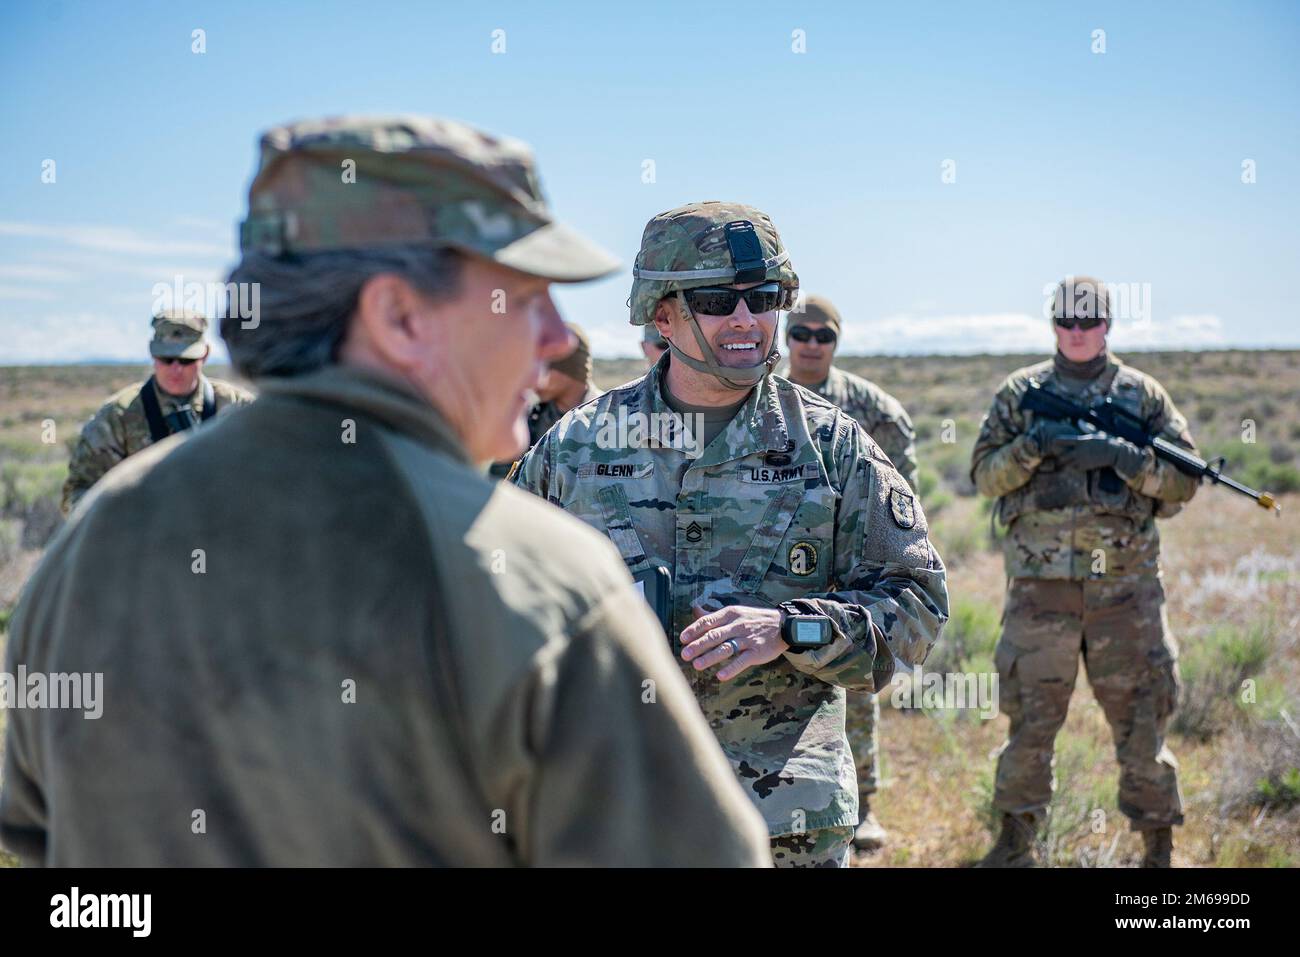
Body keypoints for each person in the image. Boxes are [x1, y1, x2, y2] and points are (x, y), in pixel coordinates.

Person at [0, 116, 771, 868]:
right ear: (400, 317)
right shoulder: (537, 578)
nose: (552, 338)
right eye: (524, 296)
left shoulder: (98, 537)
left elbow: (32, 824)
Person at [513, 201, 949, 867]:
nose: (748, 320)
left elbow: (917, 606)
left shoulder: (831, 444)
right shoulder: (576, 447)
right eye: (718, 300)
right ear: (662, 315)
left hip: (782, 824)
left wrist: (791, 629)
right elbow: (491, 599)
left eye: (764, 297)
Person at [971, 276, 1197, 868]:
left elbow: (1184, 483)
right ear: (1052, 325)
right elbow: (986, 478)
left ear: (1108, 324)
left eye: (1088, 321)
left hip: (1126, 594)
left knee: (1143, 721)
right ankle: (1016, 840)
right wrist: (1033, 446)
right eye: (1066, 322)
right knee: (1029, 725)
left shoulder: (1142, 396)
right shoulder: (1020, 395)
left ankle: (1157, 847)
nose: (1077, 332)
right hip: (1039, 596)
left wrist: (1125, 459)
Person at [782, 293, 919, 852]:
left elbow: (900, 496)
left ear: (836, 341)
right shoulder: (756, 399)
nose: (812, 344)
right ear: (785, 337)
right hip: (775, 571)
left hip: (847, 575)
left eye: (824, 336)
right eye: (801, 333)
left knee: (855, 687)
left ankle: (862, 806)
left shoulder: (874, 411)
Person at [60, 310, 253, 515]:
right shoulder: (117, 417)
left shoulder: (238, 408)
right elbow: (79, 494)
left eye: (186, 360)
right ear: (153, 354)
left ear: (204, 354)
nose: (176, 369)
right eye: (166, 359)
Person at [488, 321, 601, 478]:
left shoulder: (609, 417)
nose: (533, 378)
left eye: (543, 368)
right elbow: (499, 479)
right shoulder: (529, 418)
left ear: (570, 370)